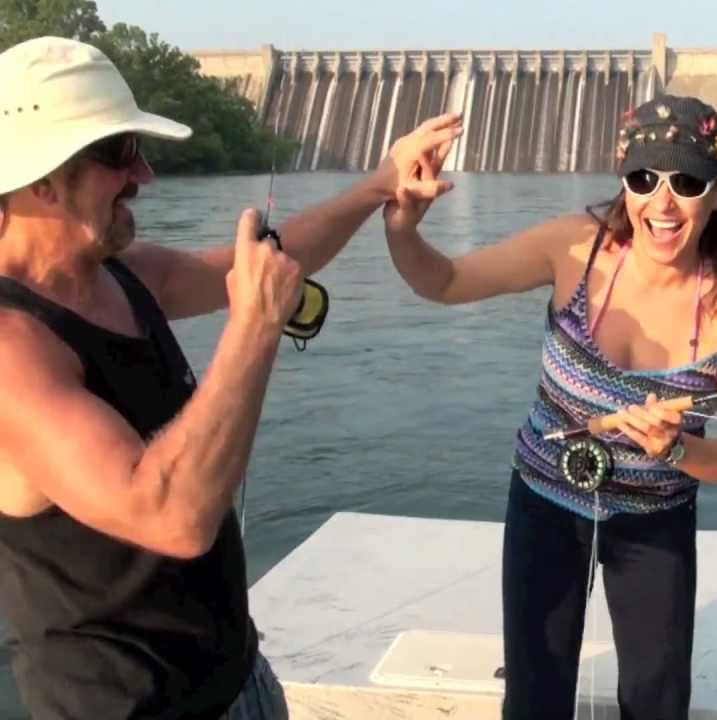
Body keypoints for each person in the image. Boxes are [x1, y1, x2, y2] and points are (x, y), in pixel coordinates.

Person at [0, 36, 461, 719]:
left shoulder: (124, 274)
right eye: (120, 152)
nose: (144, 174)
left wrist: (379, 182)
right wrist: (255, 326)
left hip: (238, 679)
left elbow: (276, 257)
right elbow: (171, 515)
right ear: (41, 176)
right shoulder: (12, 350)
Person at [382, 94, 717, 719]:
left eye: (687, 182)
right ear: (625, 182)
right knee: (534, 697)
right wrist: (403, 227)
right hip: (543, 500)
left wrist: (678, 448)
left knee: (655, 702)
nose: (662, 203)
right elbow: (444, 281)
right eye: (643, 179)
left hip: (656, 519)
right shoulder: (573, 248)